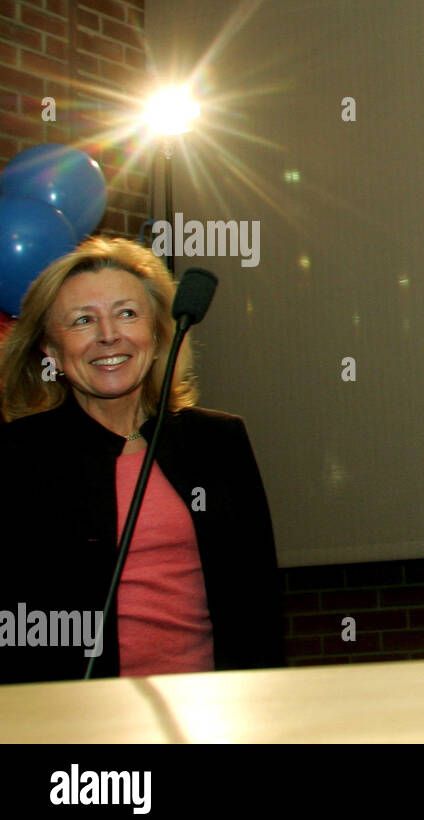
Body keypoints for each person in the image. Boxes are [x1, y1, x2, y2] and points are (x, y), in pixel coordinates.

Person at [0, 237, 283, 683]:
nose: (108, 334)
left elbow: (258, 603)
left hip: (216, 715)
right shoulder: (16, 457)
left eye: (127, 313)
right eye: (82, 321)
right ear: (49, 351)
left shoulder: (218, 442)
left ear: (157, 334)